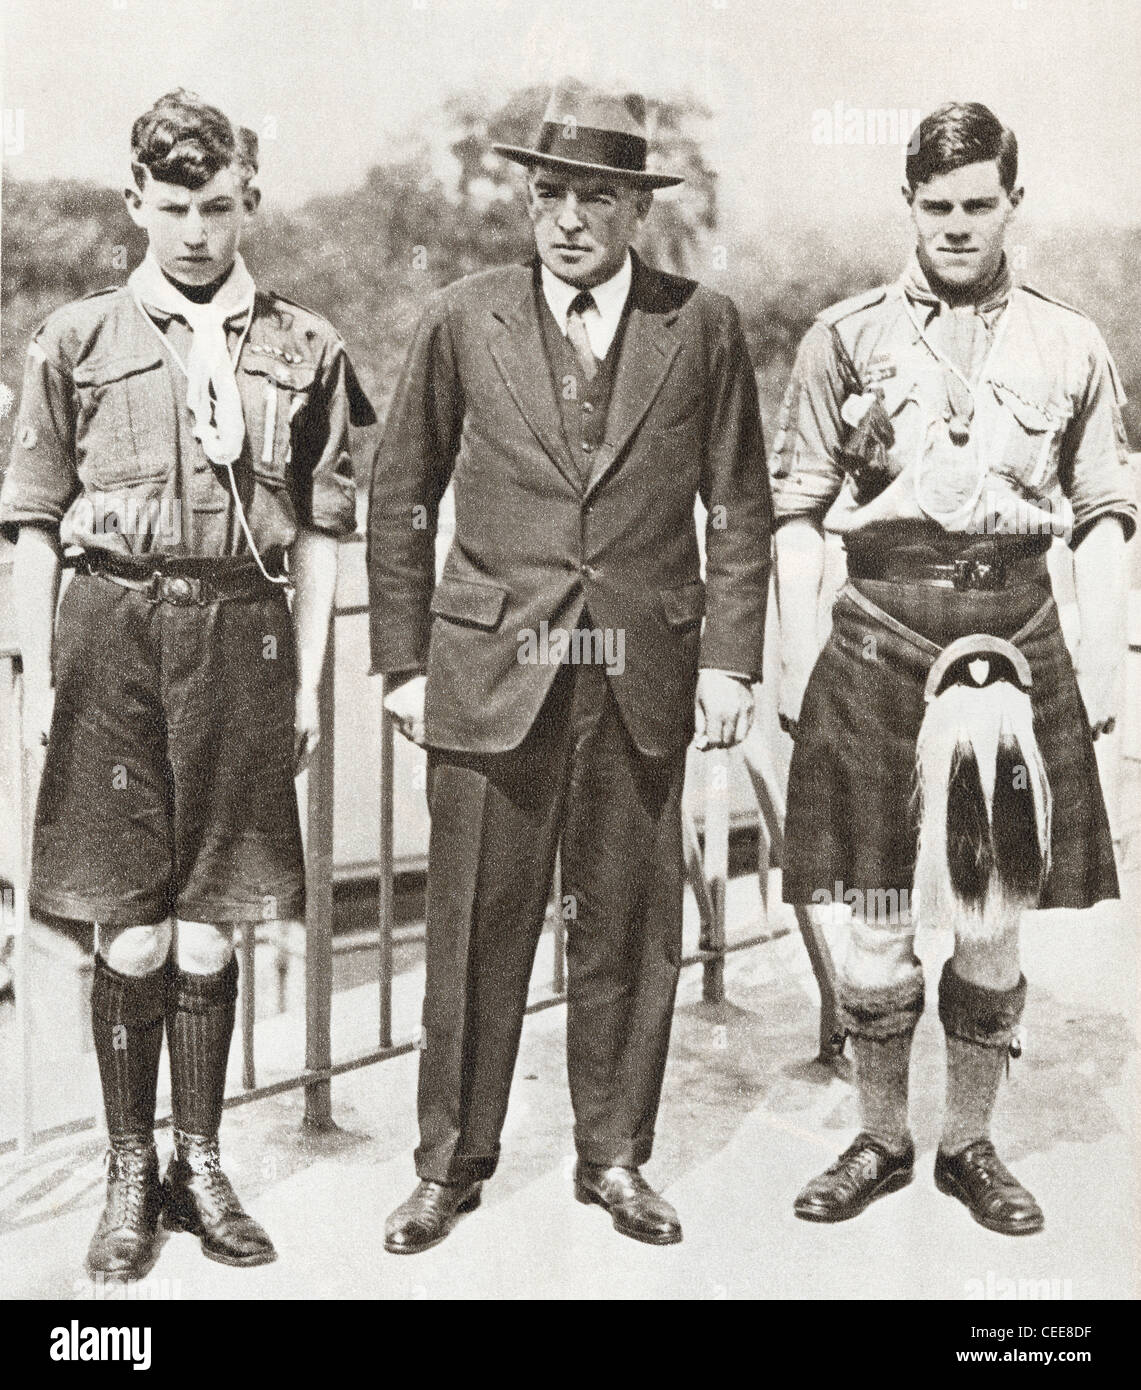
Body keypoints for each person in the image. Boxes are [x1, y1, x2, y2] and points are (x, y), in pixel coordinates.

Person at [368, 79, 771, 1253]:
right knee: (473, 928)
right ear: (528, 200)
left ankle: (615, 1155)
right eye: (551, 193)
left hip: (638, 671)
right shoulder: (462, 318)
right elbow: (399, 497)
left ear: (637, 209)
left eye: (596, 197)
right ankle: (449, 1163)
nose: (569, 219)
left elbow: (738, 509)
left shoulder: (701, 325)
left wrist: (729, 664)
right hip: (492, 669)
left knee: (628, 928)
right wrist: (401, 665)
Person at [0, 89, 373, 1279]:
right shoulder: (74, 340)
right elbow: (32, 527)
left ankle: (200, 1163)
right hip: (110, 634)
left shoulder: (307, 348)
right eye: (174, 208)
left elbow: (323, 533)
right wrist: (38, 681)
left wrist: (305, 683)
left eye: (216, 206)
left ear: (248, 200)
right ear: (136, 203)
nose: (197, 231)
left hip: (242, 638)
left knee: (210, 931)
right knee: (130, 925)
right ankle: (128, 1171)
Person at [772, 102, 1134, 1234]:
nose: (958, 225)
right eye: (937, 206)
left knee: (990, 912)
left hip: (1014, 642)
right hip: (879, 635)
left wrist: (1108, 661)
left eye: (980, 203)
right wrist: (793, 658)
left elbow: (1104, 515)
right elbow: (797, 515)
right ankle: (880, 1137)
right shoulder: (843, 338)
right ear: (908, 204)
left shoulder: (1070, 342)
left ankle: (969, 1144)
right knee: (877, 918)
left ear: (1012, 202)